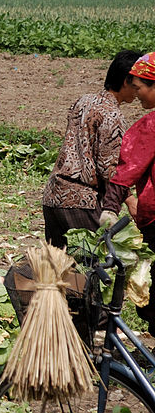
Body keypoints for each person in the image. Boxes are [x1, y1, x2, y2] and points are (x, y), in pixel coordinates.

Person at [42, 49, 140, 248]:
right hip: (81, 202)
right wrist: (130, 200)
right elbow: (108, 168)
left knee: (58, 267)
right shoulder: (113, 116)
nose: (138, 92)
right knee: (94, 266)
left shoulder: (84, 101)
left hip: (53, 195)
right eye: (137, 84)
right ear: (125, 82)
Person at [109, 52, 155, 331]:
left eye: (139, 87)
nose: (135, 93)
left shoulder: (151, 125)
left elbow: (127, 169)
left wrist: (109, 207)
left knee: (149, 289)